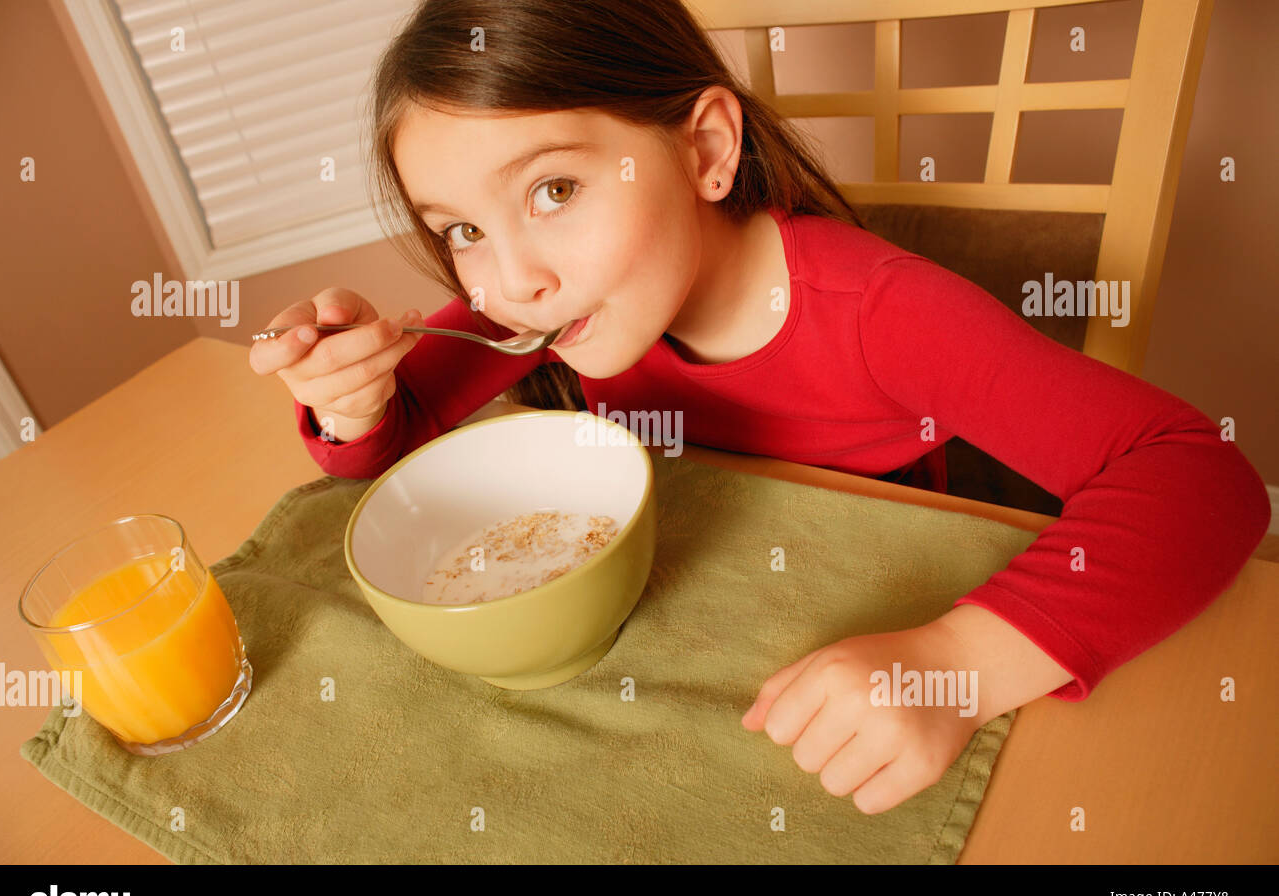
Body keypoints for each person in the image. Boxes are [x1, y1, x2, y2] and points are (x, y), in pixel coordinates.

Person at [248, 0, 1270, 816]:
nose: (511, 282)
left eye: (554, 190)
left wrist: (957, 664)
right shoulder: (543, 300)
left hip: (876, 651)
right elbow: (393, 441)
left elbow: (1200, 476)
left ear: (702, 150)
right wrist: (353, 398)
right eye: (463, 228)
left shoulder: (880, 313)